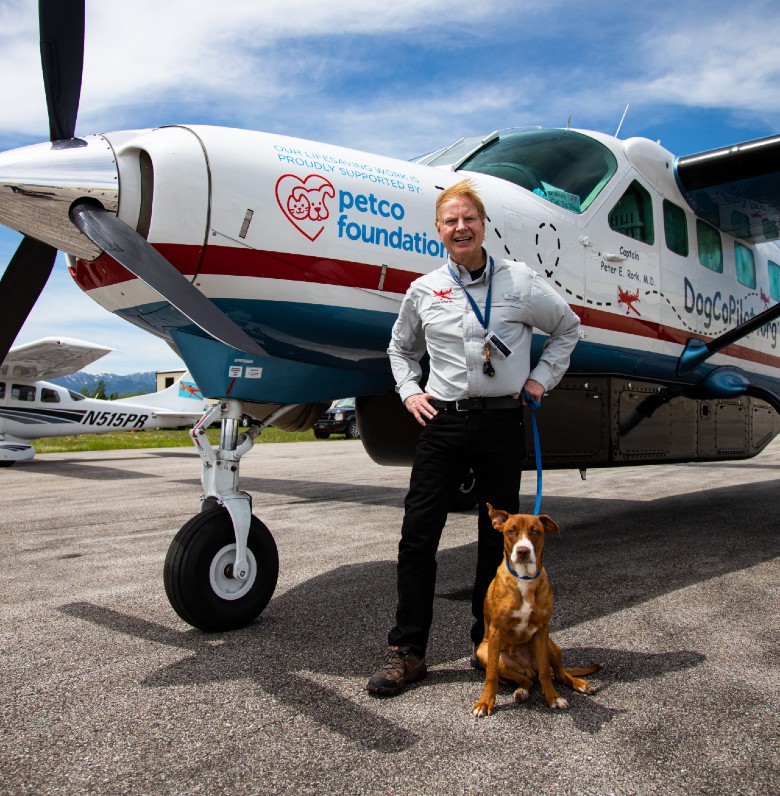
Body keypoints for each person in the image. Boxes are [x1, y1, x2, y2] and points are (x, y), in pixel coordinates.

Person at [366, 178, 581, 696]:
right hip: (443, 420)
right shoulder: (424, 290)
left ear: (484, 225)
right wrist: (408, 390)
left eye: (469, 219)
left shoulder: (521, 281)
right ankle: (408, 652)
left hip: (502, 421)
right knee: (418, 535)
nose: (460, 227)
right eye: (450, 221)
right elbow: (400, 350)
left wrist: (538, 380)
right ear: (438, 231)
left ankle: (488, 646)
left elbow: (569, 327)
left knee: (498, 538)